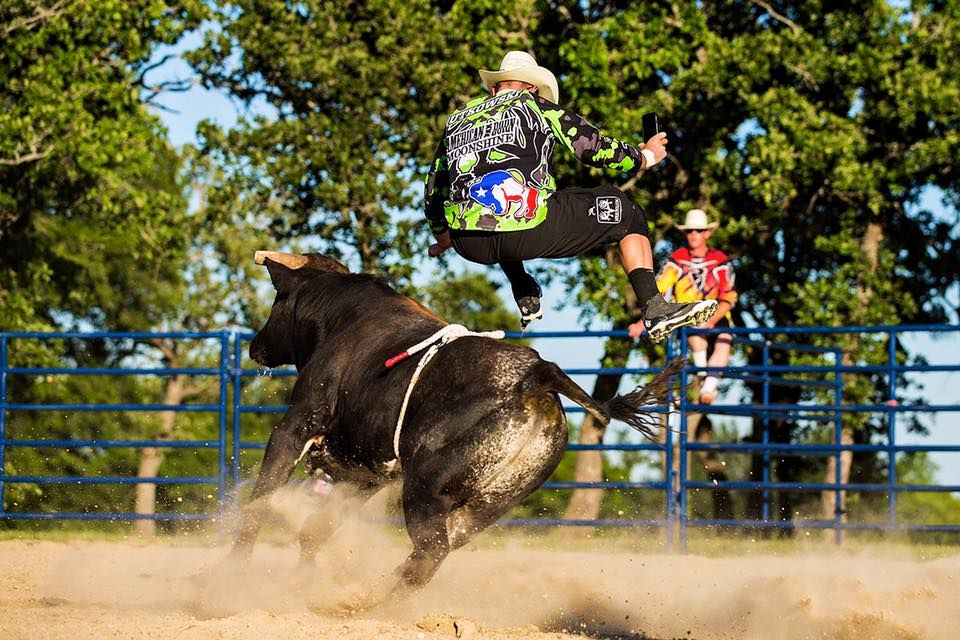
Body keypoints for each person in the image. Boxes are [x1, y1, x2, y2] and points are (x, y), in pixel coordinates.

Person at [423, 50, 716, 341]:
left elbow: (434, 185)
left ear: (494, 88)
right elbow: (591, 147)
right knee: (625, 210)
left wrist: (442, 235)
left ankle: (523, 288)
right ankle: (654, 306)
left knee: (496, 211)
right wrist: (644, 156)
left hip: (468, 242)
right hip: (527, 230)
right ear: (533, 86)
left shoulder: (456, 119)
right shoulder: (535, 105)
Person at [656, 208, 737, 404]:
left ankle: (707, 388)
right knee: (695, 338)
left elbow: (728, 297)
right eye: (690, 230)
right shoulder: (675, 260)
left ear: (707, 233)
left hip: (717, 318)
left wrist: (712, 320)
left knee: (725, 339)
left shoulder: (720, 261)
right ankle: (703, 380)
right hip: (689, 319)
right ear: (685, 233)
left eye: (698, 231)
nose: (694, 235)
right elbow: (658, 288)